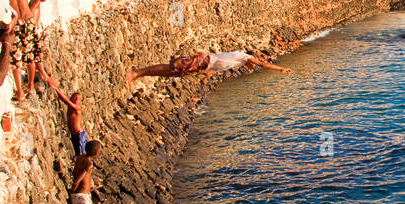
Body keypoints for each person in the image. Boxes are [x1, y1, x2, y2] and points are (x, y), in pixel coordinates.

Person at [126, 50, 291, 85]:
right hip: (202, 61)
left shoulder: (239, 62)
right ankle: (136, 72)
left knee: (171, 73)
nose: (251, 67)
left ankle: (139, 75)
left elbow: (220, 60)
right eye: (251, 65)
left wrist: (209, 72)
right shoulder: (243, 56)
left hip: (204, 66)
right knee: (171, 68)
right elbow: (262, 64)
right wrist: (280, 69)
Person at [44, 74, 89, 155]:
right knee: (77, 153)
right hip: (75, 134)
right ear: (71, 98)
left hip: (79, 134)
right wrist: (54, 89)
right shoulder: (70, 106)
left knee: (81, 154)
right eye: (75, 98)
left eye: (78, 99)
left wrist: (56, 88)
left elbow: (66, 100)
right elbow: (63, 99)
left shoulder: (77, 109)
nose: (76, 100)